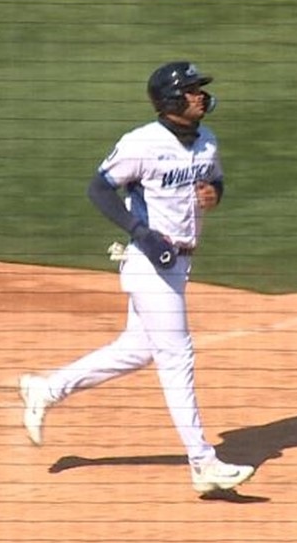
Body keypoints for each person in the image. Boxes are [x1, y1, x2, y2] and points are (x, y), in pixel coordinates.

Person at [17, 61, 255, 494]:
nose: (201, 95)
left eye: (201, 89)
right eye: (192, 90)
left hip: (181, 264)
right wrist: (140, 233)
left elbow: (216, 182)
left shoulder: (206, 141)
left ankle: (46, 390)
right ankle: (202, 462)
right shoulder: (141, 144)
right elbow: (99, 188)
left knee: (136, 349)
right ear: (170, 101)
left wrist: (213, 194)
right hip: (149, 265)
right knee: (176, 356)